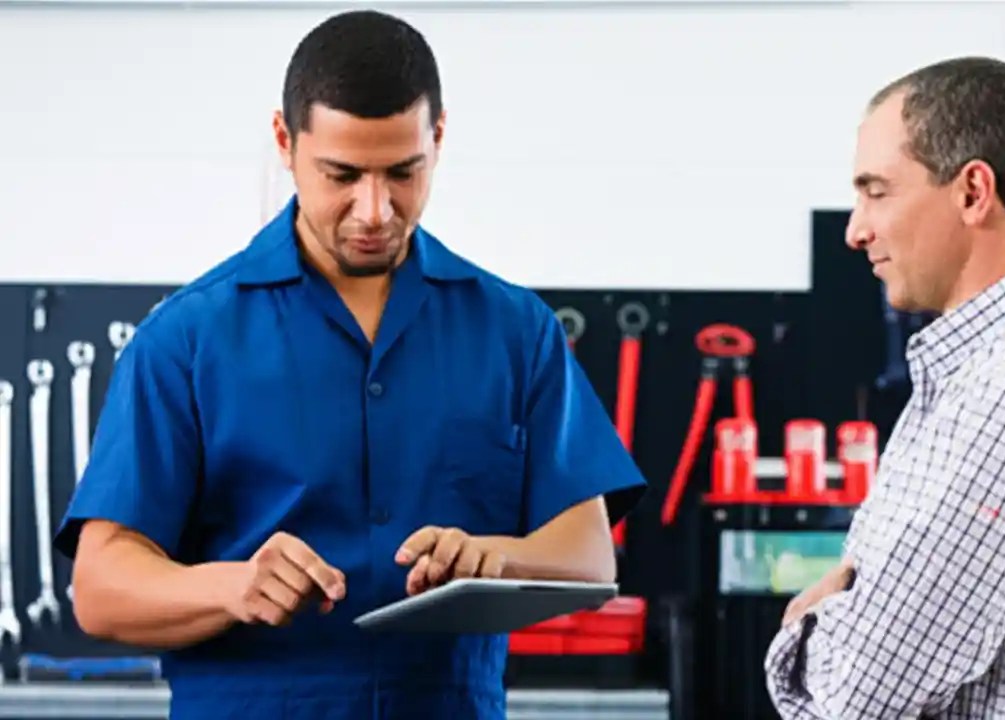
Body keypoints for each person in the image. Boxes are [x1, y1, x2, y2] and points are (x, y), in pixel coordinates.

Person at [54, 10, 646, 719]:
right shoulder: (182, 341)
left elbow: (590, 558)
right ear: (285, 141)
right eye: (342, 174)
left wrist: (496, 557)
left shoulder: (518, 334)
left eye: (403, 172)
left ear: (440, 138)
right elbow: (100, 586)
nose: (375, 210)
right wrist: (231, 587)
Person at [764, 56, 1005, 718]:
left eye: (877, 191)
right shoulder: (994, 370)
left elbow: (859, 694)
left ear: (973, 192)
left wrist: (802, 628)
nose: (856, 230)